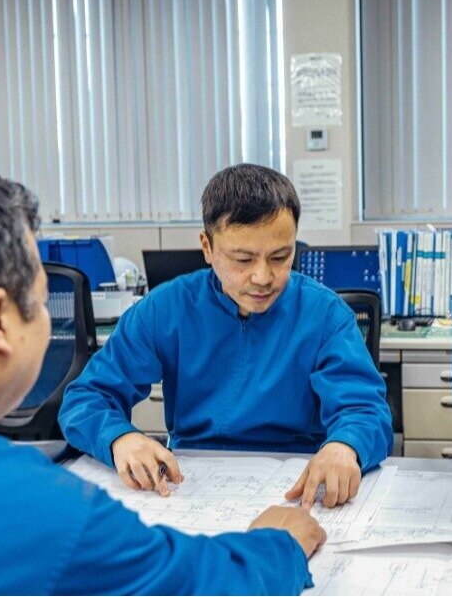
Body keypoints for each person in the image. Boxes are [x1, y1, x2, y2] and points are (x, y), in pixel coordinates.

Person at [0, 162, 324, 594]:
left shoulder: (320, 310)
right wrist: (278, 546)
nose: (261, 276)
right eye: (40, 300)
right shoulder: (28, 508)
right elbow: (202, 583)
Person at [59, 163, 393, 508]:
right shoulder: (166, 308)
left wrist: (345, 446)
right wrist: (120, 438)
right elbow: (88, 397)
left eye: (280, 256)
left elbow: (366, 410)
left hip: (299, 487)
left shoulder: (325, 314)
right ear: (207, 247)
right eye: (243, 259)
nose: (263, 277)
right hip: (190, 486)